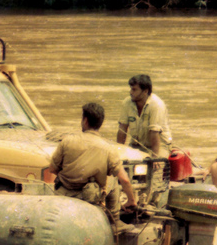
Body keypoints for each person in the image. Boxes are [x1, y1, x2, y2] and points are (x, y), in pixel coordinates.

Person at [51, 102, 139, 236]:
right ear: (100, 123)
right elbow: (125, 180)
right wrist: (131, 201)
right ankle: (114, 221)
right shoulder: (108, 149)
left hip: (64, 191)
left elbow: (52, 168)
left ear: (85, 121)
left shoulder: (67, 141)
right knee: (114, 180)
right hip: (89, 195)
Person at [116, 74, 172, 157]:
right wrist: (118, 152)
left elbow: (154, 132)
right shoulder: (127, 103)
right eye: (131, 89)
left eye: (134, 90)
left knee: (154, 168)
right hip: (136, 145)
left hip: (159, 146)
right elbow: (122, 129)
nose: (131, 92)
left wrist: (154, 157)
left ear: (145, 91)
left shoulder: (156, 105)